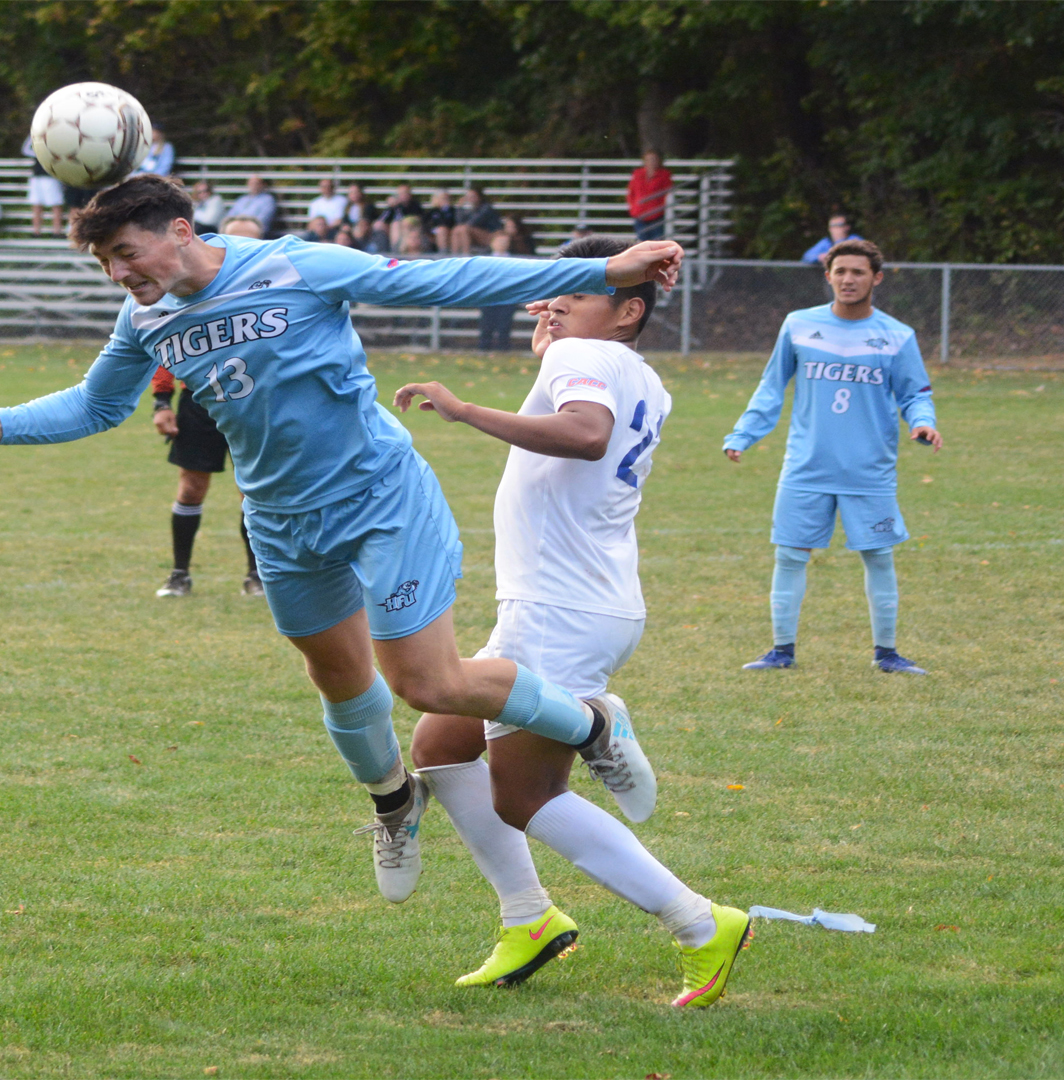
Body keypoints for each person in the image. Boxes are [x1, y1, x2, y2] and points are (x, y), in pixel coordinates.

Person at [0, 175, 682, 913]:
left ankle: (592, 725)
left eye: (125, 253)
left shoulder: (293, 265)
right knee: (339, 681)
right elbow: (95, 404)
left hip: (380, 499)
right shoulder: (144, 318)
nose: (118, 273)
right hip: (281, 521)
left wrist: (601, 270)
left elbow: (444, 278)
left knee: (427, 683)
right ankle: (394, 805)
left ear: (179, 231)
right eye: (105, 262)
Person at [394, 235, 754, 1008]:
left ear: (628, 311)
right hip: (577, 603)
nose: (557, 303)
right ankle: (529, 918)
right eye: (555, 290)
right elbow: (588, 415)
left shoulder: (582, 357)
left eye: (579, 291)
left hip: (561, 614)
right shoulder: (639, 374)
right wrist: (554, 340)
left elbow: (586, 435)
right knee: (440, 744)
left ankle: (699, 922)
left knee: (524, 796)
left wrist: (463, 409)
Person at [724, 238, 941, 675]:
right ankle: (781, 651)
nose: (848, 279)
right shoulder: (799, 325)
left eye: (858, 272)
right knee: (790, 556)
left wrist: (922, 422)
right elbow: (771, 386)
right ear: (828, 276)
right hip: (806, 466)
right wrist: (744, 434)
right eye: (840, 271)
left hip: (869, 470)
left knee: (879, 556)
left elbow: (915, 393)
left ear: (876, 279)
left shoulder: (897, 335)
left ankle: (887, 654)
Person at [149, 362, 262, 598]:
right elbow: (165, 349)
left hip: (250, 399)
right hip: (198, 401)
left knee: (254, 490)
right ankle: (179, 574)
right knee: (191, 489)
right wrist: (162, 400)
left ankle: (257, 574)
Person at [478, 214, 537, 351]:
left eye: (505, 242)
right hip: (489, 296)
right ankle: (484, 347)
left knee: (505, 323)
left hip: (508, 296)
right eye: (499, 241)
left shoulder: (514, 259)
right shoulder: (484, 259)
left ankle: (503, 348)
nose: (502, 244)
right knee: (487, 323)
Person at [22, 136, 66, 237]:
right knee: (37, 205)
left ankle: (56, 232)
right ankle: (36, 231)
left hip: (51, 177)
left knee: (56, 205)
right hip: (37, 177)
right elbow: (25, 150)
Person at [627, 149, 672, 241]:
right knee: (641, 241)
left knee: (657, 241)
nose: (651, 162)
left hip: (656, 214)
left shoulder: (664, 175)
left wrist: (661, 209)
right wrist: (633, 208)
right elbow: (631, 192)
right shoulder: (638, 174)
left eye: (654, 159)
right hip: (640, 214)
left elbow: (668, 193)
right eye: (648, 159)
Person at [451, 189, 503, 255]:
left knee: (464, 229)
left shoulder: (486, 208)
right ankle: (455, 254)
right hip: (477, 233)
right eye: (468, 197)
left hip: (492, 235)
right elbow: (459, 222)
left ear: (479, 197)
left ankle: (466, 253)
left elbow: (473, 222)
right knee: (457, 229)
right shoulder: (472, 208)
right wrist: (459, 207)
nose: (470, 199)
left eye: (473, 196)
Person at [377, 184, 422, 255]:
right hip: (392, 230)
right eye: (401, 193)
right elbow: (382, 220)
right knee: (393, 225)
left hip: (410, 229)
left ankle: (397, 251)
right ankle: (395, 249)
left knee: (398, 225)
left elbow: (419, 219)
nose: (404, 195)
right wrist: (390, 207)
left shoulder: (415, 205)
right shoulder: (393, 207)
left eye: (406, 193)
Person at [302, 178, 348, 242]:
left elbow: (339, 221)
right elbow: (311, 222)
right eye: (324, 187)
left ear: (333, 187)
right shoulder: (315, 203)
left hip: (335, 230)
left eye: (329, 186)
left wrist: (324, 228)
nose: (327, 189)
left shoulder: (342, 201)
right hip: (318, 231)